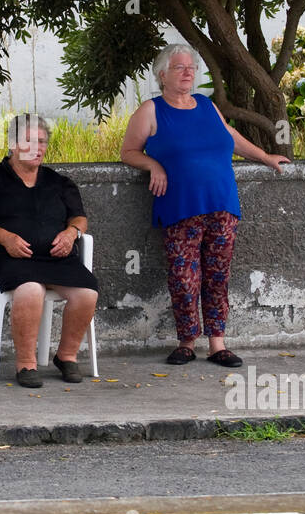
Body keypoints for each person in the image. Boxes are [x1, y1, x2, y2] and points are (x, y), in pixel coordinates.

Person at [120, 45, 289, 367]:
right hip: (180, 207)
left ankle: (217, 343)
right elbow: (129, 152)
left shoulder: (207, 106)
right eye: (180, 67)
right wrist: (154, 166)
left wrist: (265, 157)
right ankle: (186, 341)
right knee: (184, 277)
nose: (187, 72)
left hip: (222, 204)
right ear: (162, 75)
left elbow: (232, 137)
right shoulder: (151, 110)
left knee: (218, 276)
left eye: (191, 68)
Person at [0, 114, 98, 388]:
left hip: (57, 259)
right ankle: (26, 364)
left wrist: (72, 234)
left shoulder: (59, 182)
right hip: (12, 259)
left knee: (87, 292)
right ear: (12, 144)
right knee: (31, 290)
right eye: (29, 141)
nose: (38, 147)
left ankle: (67, 356)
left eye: (42, 141)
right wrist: (6, 237)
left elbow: (79, 218)